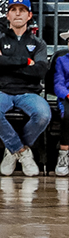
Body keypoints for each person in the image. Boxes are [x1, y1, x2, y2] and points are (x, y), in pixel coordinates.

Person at [0, 0, 51, 177]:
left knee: (43, 114)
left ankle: (11, 149)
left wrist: (5, 62)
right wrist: (24, 62)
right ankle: (21, 151)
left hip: (28, 91)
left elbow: (40, 71)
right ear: (8, 15)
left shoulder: (38, 43)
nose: (18, 14)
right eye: (14, 10)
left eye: (22, 10)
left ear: (29, 15)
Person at [53, 43, 69, 176]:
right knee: (67, 115)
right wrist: (67, 94)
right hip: (67, 96)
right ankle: (64, 152)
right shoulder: (61, 60)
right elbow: (58, 82)